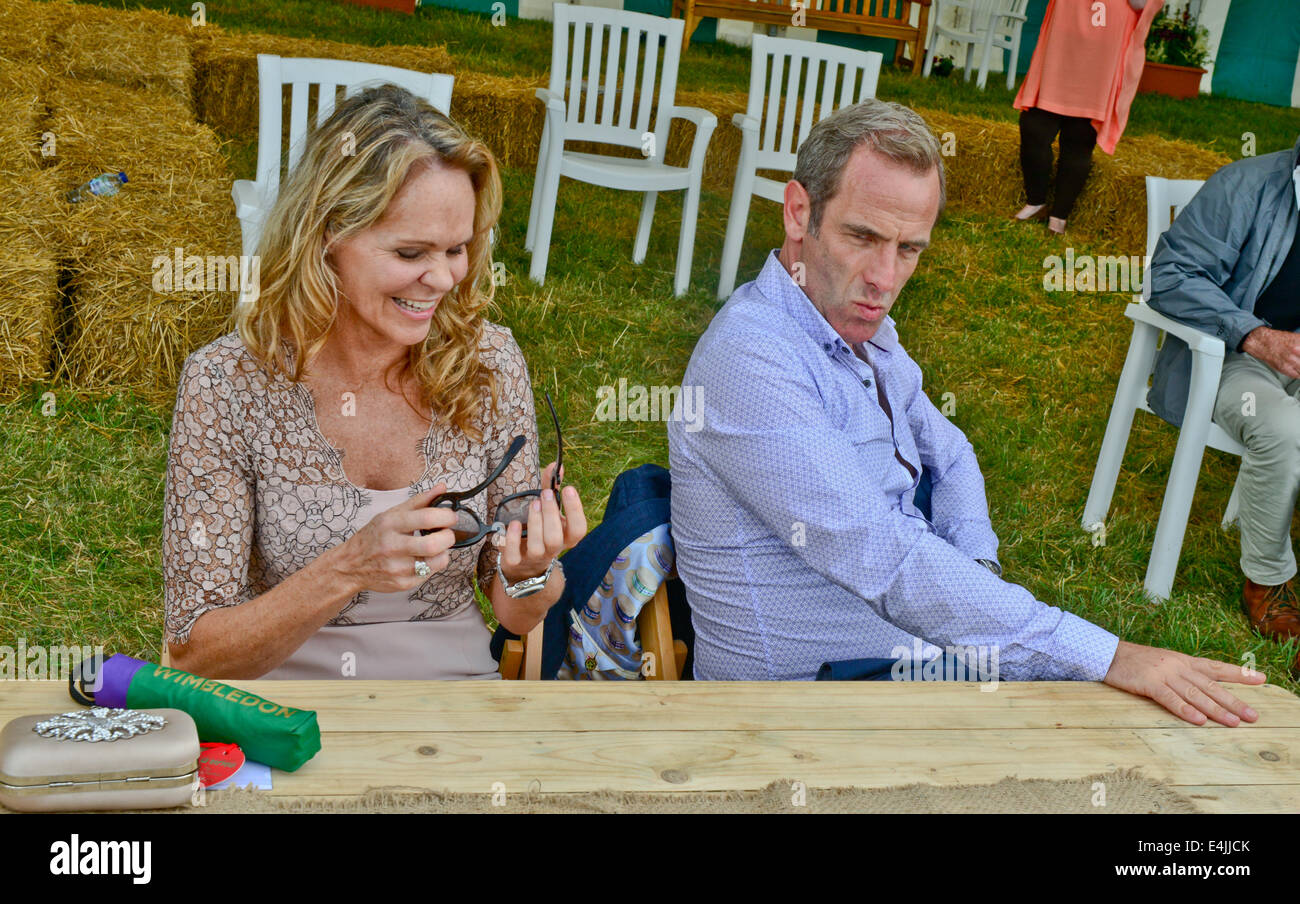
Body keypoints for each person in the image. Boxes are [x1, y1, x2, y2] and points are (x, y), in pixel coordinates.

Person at [668, 99, 1265, 725]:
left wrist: (977, 569)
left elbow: (950, 454)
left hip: (906, 670)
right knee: (1109, 716)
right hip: (796, 713)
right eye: (862, 237)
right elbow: (885, 558)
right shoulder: (751, 359)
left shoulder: (863, 334)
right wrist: (1108, 654)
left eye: (910, 249)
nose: (884, 277)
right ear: (798, 212)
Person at [162, 85, 587, 680]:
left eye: (457, 249)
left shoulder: (490, 362)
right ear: (328, 234)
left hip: (453, 704)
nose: (442, 279)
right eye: (411, 252)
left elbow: (515, 616)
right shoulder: (226, 383)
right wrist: (348, 568)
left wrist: (531, 569)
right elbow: (195, 652)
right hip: (277, 712)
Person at [1146, 135, 1300, 667]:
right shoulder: (1246, 185)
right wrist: (1258, 337)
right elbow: (1170, 276)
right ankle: (1268, 580)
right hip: (1233, 352)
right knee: (1282, 428)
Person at [1010, 0, 1162, 234]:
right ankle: (1036, 201)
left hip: (1102, 53)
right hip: (1063, 41)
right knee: (1034, 125)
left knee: (1080, 133)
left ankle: (1059, 216)